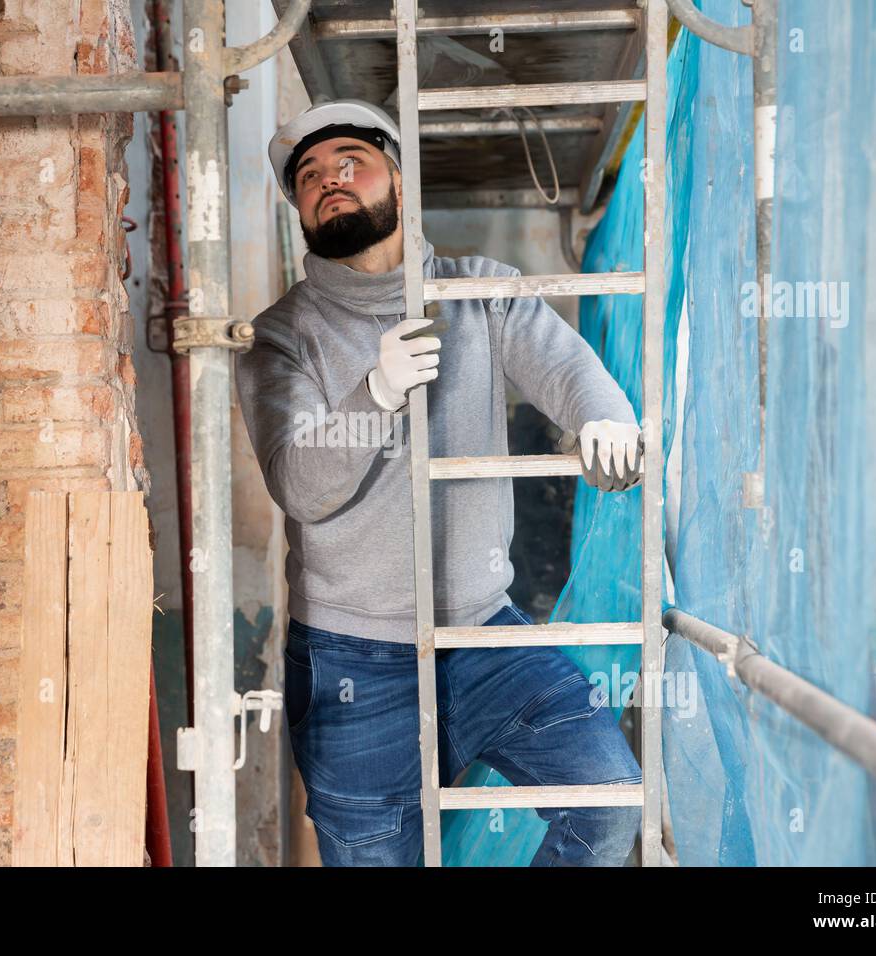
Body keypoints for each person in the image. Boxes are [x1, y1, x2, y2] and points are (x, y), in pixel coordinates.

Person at [235, 98, 645, 866]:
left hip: (480, 632)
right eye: (310, 177)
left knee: (609, 797)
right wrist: (375, 393)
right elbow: (300, 484)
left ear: (398, 179)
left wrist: (603, 417)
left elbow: (565, 367)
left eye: (350, 162)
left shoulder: (478, 290)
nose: (330, 181)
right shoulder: (279, 339)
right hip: (351, 658)